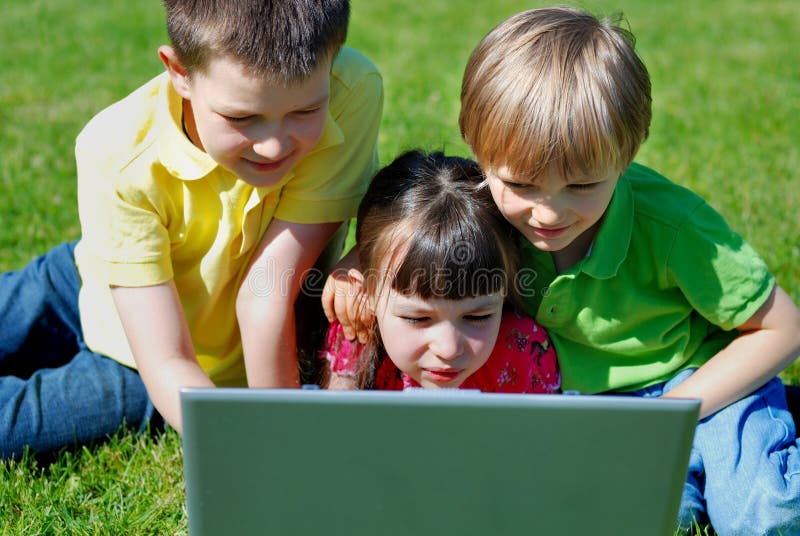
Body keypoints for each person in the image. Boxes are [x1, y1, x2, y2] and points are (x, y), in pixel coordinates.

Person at [455, 7, 800, 534]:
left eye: (583, 186)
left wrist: (675, 412)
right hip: (589, 413)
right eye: (521, 185)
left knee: (763, 513)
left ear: (628, 152)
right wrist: (358, 264)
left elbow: (784, 329)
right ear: (477, 151)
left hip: (700, 386)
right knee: (643, 518)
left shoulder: (673, 226)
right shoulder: (475, 209)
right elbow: (408, 234)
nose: (548, 213)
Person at [0, 0, 382, 459]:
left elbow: (261, 295)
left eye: (305, 111)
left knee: (12, 425)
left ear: (332, 59)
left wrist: (276, 448)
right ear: (179, 71)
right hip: (103, 278)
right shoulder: (115, 151)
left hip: (146, 362)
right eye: (241, 118)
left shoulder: (351, 90)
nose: (274, 144)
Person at [320, 150, 560, 394]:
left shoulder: (522, 351)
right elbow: (336, 424)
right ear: (366, 294)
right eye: (418, 318)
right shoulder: (357, 332)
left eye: (477, 317)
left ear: (506, 290)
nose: (449, 349)